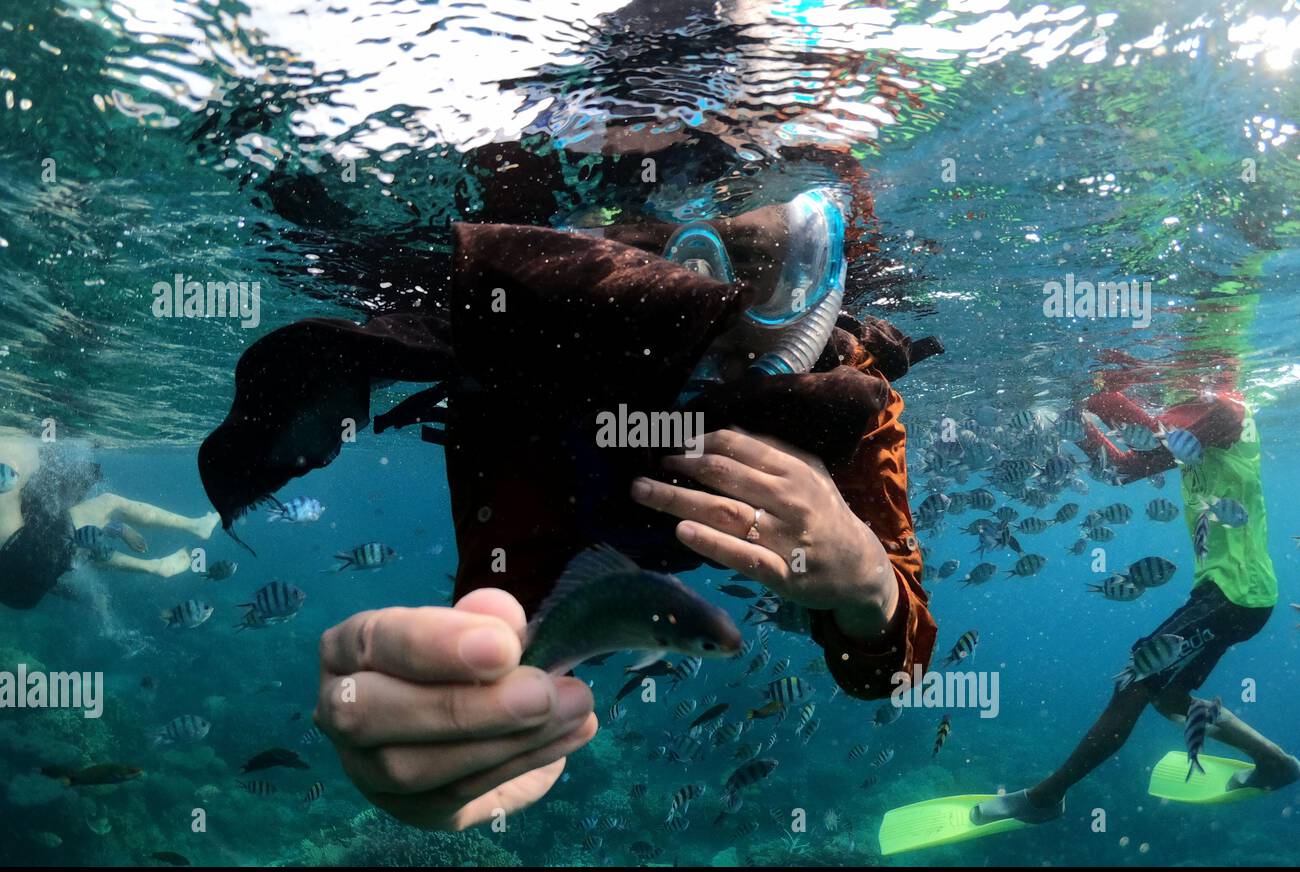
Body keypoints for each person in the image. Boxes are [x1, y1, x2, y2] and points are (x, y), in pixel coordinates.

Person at [199, 150, 943, 828]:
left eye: (762, 261)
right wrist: (479, 706)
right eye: (657, 261)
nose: (708, 304)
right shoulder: (534, 371)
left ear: (822, 277)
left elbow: (894, 666)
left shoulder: (845, 394)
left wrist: (864, 578)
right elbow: (505, 616)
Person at [971, 385, 1299, 828]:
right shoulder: (1192, 436)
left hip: (1235, 593)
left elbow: (1169, 432)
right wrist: (1080, 423)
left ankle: (1047, 796)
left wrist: (1095, 391)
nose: (1164, 410)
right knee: (1168, 697)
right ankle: (1274, 763)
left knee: (1136, 680)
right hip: (1227, 594)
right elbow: (1125, 469)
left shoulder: (1231, 414)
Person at [0, 426, 220, 611]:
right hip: (26, 553)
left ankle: (155, 567)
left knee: (72, 543)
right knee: (108, 503)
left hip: (11, 587)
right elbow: (29, 460)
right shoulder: (8, 444)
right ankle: (195, 527)